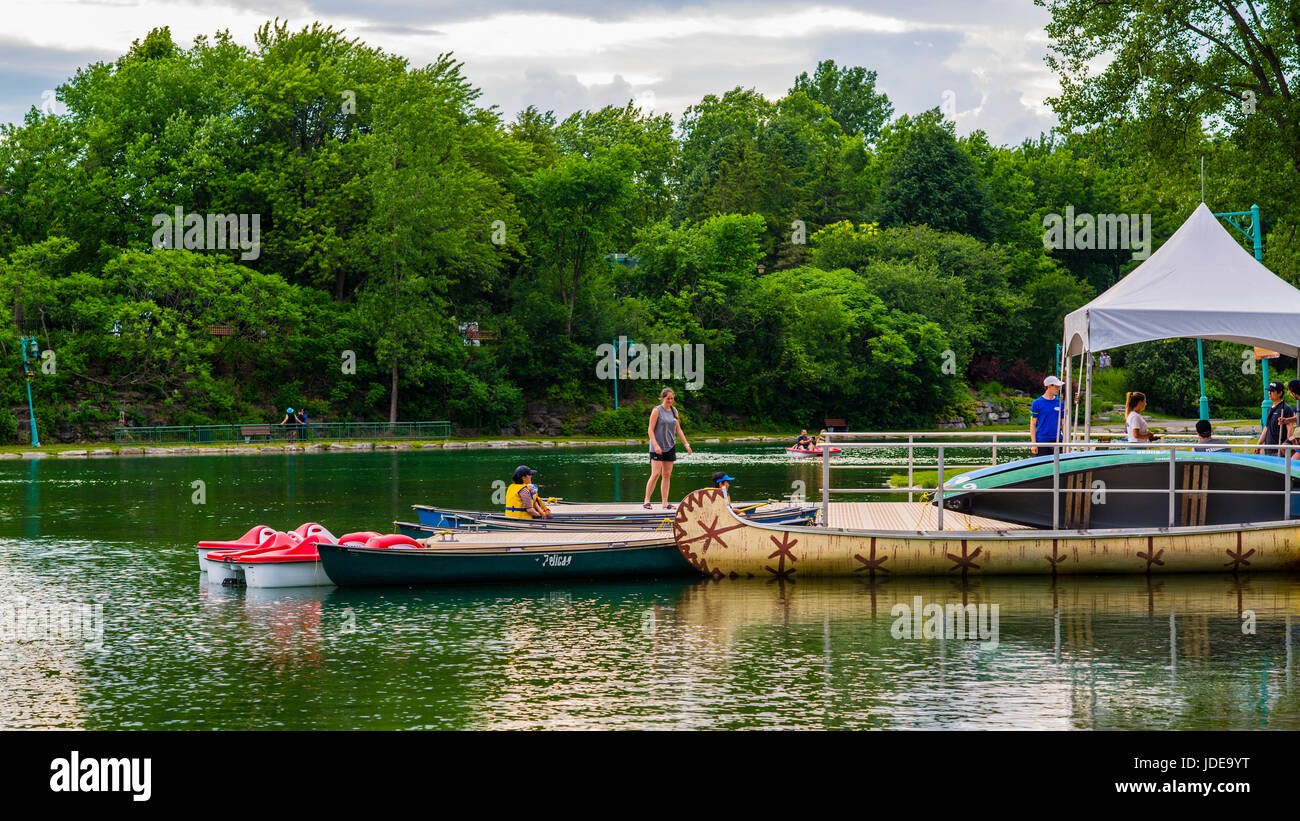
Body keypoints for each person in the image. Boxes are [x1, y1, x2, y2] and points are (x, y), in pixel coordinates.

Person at [644, 388, 693, 510]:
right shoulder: (657, 410)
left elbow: (678, 429)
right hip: (657, 447)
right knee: (655, 474)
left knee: (667, 475)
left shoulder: (674, 410)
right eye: (668, 398)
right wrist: (655, 445)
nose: (670, 401)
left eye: (672, 398)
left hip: (670, 446)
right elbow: (650, 429)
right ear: (662, 398)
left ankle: (665, 503)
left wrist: (686, 444)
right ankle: (646, 501)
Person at [1257, 381, 1293, 456]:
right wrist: (1258, 445)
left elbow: (1290, 428)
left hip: (1279, 450)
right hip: (1268, 450)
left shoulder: (1286, 408)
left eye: (1272, 391)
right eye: (1269, 391)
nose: (1269, 393)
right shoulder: (1269, 409)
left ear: (1280, 393)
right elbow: (1266, 428)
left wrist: (1288, 446)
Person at [1029, 375, 1063, 455]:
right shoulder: (1036, 403)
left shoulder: (1061, 403)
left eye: (1059, 386)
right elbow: (1033, 424)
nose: (1058, 389)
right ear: (1049, 386)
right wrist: (1033, 444)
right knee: (1041, 466)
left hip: (1057, 440)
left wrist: (1065, 444)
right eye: (1056, 386)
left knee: (1059, 466)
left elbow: (1063, 423)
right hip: (1042, 441)